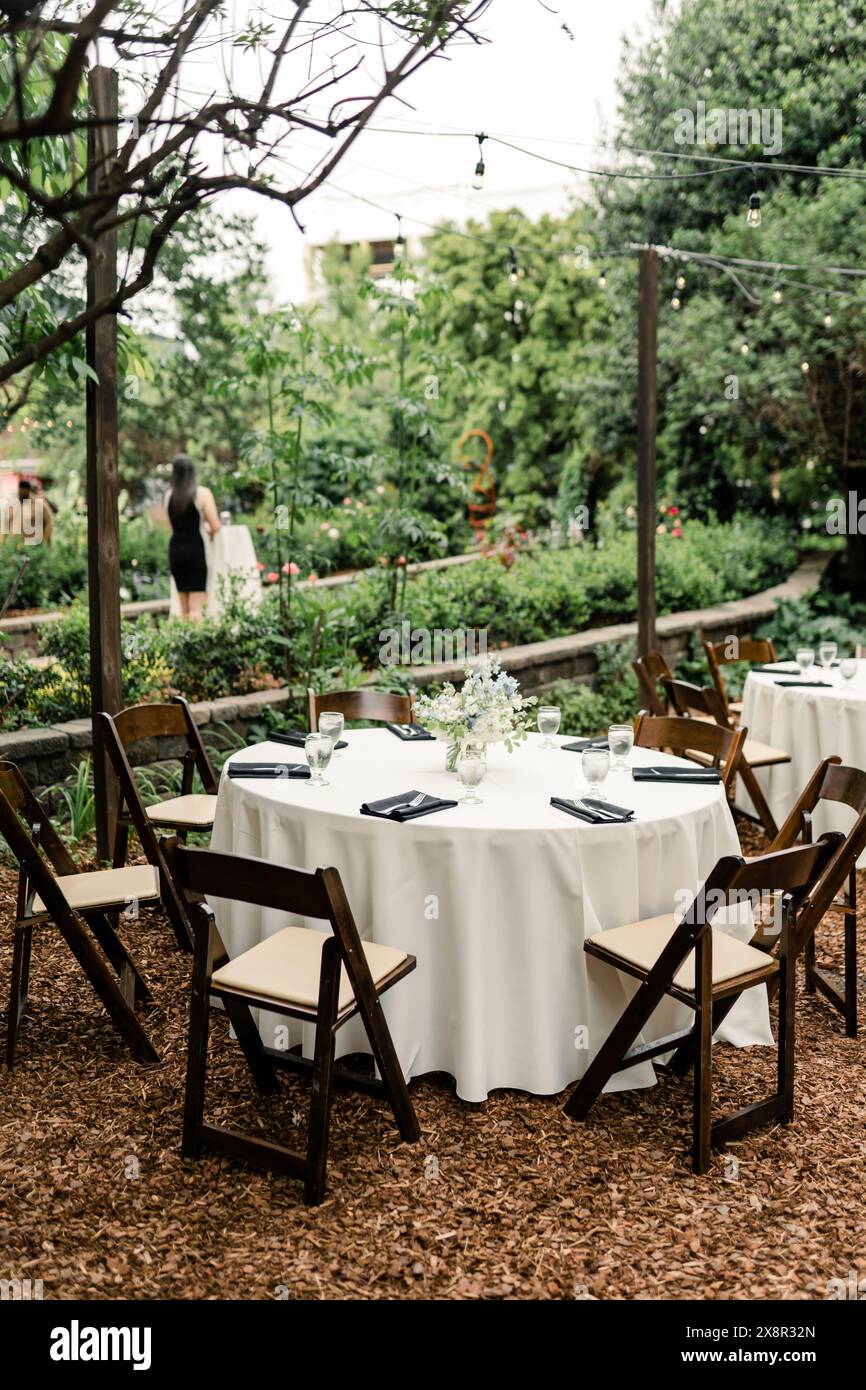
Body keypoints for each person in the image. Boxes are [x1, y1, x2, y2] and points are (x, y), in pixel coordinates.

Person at [164, 455, 221, 621]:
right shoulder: (202, 494)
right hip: (196, 550)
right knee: (197, 609)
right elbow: (215, 525)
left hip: (176, 550)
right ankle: (196, 638)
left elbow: (170, 526)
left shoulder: (169, 495)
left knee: (184, 610)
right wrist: (207, 529)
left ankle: (184, 636)